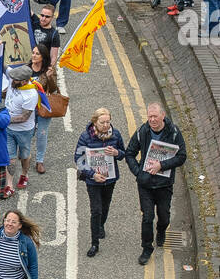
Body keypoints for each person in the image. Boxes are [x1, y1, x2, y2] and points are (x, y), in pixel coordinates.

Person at [125, 102, 187, 266]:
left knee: (164, 216)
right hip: (145, 184)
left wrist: (162, 165)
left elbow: (182, 156)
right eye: (149, 116)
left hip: (164, 185)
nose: (152, 119)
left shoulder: (173, 133)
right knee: (147, 217)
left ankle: (161, 231)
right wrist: (139, 173)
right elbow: (130, 153)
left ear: (163, 116)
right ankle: (146, 249)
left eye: (155, 116)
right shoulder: (142, 132)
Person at [75, 107, 126, 258]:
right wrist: (92, 174)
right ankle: (94, 243)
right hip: (93, 181)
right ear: (95, 122)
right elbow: (78, 159)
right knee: (96, 210)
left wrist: (117, 153)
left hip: (110, 179)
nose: (106, 125)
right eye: (102, 122)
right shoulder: (86, 137)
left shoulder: (115, 135)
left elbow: (124, 153)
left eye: (108, 122)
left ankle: (101, 225)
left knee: (105, 206)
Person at [3, 63, 39, 196]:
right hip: (8, 129)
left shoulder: (30, 95)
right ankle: (9, 184)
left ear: (24, 81)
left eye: (16, 80)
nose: (12, 80)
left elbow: (24, 117)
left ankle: (24, 174)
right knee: (11, 158)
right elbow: (3, 65)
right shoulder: (14, 77)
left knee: (24, 155)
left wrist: (4, 119)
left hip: (24, 131)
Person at [28, 43, 58, 175]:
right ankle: (25, 154)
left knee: (42, 134)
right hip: (29, 107)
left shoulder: (49, 70)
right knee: (28, 133)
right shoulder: (26, 68)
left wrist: (50, 77)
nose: (34, 56)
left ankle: (39, 161)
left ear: (43, 57)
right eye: (33, 53)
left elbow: (53, 89)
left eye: (37, 54)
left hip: (44, 107)